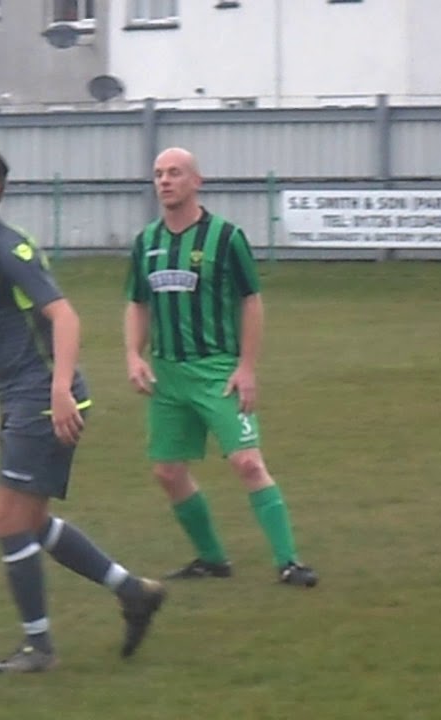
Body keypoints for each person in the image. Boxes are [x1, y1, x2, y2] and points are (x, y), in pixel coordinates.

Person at [0, 145, 166, 675]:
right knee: (28, 520)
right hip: (22, 398)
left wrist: (58, 391)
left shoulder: (10, 250)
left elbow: (65, 316)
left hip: (42, 398)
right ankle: (133, 592)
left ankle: (39, 649)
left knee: (9, 518)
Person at [123, 146, 318, 587]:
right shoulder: (147, 241)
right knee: (167, 471)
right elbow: (137, 303)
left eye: (174, 173)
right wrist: (134, 354)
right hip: (168, 375)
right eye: (158, 174)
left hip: (218, 370)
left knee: (248, 462)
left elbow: (252, 301)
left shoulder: (226, 238)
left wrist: (246, 367)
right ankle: (212, 559)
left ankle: (289, 561)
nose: (164, 181)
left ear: (197, 181)